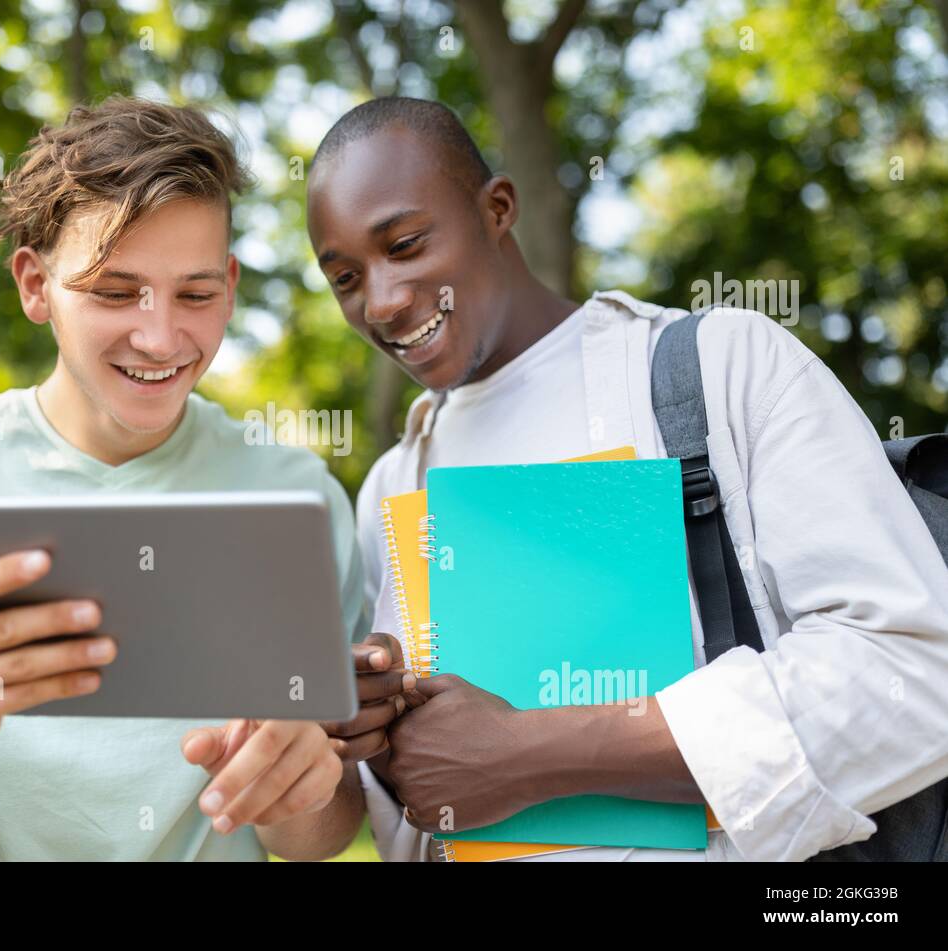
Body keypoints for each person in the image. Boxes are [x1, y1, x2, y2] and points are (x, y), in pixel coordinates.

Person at [307, 96, 948, 861]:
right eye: (345, 277)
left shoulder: (719, 370)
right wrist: (381, 738)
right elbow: (428, 815)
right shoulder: (393, 481)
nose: (380, 300)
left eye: (406, 244)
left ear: (498, 208)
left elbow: (912, 674)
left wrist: (532, 749)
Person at [0, 97, 381, 861]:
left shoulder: (297, 496)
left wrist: (293, 785)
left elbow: (321, 832)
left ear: (230, 286)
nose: (161, 335)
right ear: (35, 285)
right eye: (115, 291)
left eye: (197, 294)